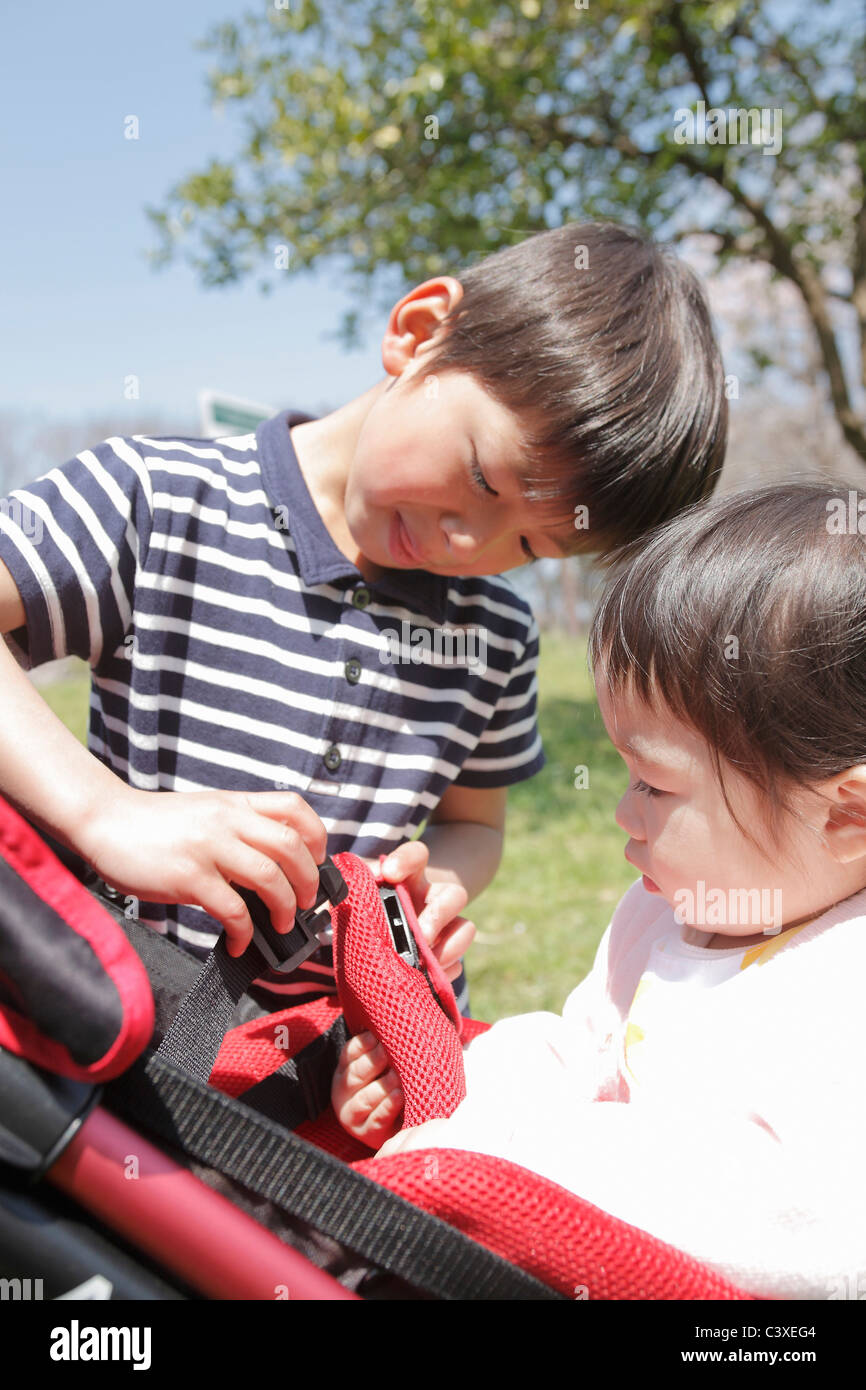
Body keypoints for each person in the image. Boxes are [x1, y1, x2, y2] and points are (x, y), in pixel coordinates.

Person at [0, 221, 726, 1015]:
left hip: (343, 1061)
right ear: (419, 333)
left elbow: (474, 825)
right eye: (484, 477)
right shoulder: (161, 501)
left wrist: (437, 886)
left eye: (528, 542)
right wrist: (104, 813)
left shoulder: (495, 637)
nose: (467, 541)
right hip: (123, 1023)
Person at [333, 482, 866, 1299]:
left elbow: (812, 1230)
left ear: (846, 817)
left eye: (654, 784)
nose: (624, 811)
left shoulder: (842, 985)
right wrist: (456, 1107)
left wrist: (524, 1164)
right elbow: (581, 1049)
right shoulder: (662, 912)